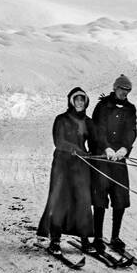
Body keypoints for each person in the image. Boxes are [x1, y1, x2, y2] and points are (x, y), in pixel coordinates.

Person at [37, 87, 99, 254]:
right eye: (76, 99)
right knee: (60, 200)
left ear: (86, 102)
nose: (79, 103)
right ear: (71, 101)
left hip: (80, 166)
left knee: (83, 201)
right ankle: (55, 239)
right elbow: (59, 141)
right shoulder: (61, 119)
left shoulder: (88, 122)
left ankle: (85, 240)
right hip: (62, 165)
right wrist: (75, 149)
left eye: (82, 100)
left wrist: (99, 153)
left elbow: (95, 141)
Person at [91, 74, 137, 251]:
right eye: (122, 89)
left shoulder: (130, 109)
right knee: (100, 197)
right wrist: (106, 148)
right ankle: (97, 237)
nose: (124, 93)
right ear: (115, 88)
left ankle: (115, 237)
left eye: (127, 90)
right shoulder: (103, 106)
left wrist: (125, 148)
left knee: (120, 196)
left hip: (118, 159)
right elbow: (98, 128)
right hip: (103, 157)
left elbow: (131, 130)